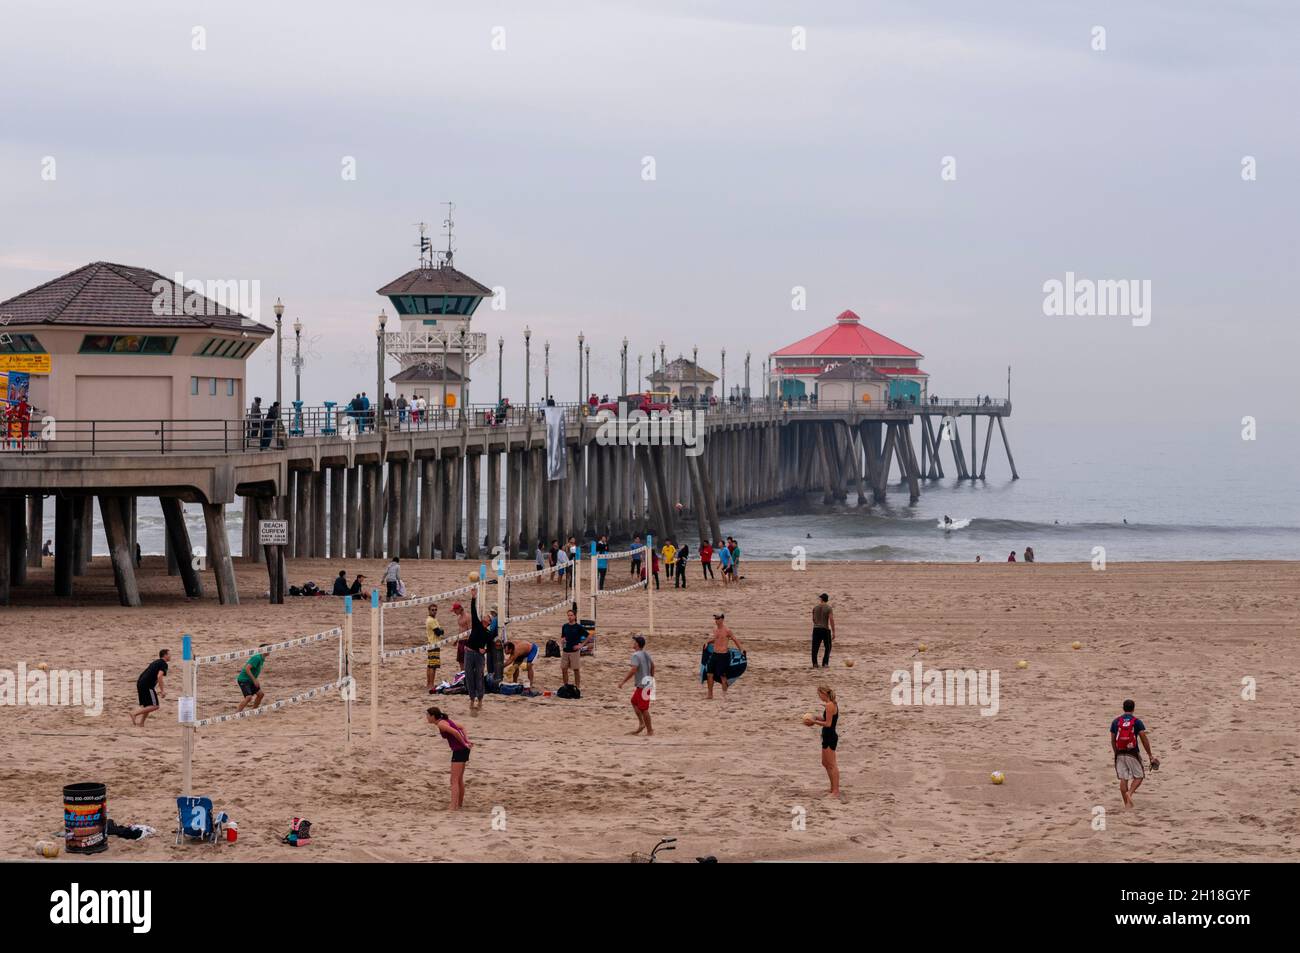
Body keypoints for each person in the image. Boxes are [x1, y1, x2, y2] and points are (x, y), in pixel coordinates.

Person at [1111, 699, 1159, 808]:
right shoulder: (1136, 722)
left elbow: (1113, 740)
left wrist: (1116, 753)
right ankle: (1130, 793)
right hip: (1132, 752)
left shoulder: (1116, 722)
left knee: (1124, 778)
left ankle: (1127, 805)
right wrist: (1150, 755)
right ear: (1133, 709)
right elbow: (1143, 738)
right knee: (1139, 776)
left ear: (1123, 708)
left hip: (1119, 752)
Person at [427, 706, 472, 810]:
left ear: (433, 716)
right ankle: (459, 805)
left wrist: (465, 743)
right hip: (463, 750)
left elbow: (456, 732)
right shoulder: (445, 721)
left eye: (428, 715)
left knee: (454, 780)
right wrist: (467, 741)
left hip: (459, 750)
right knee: (459, 779)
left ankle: (453, 807)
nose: (426, 717)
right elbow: (462, 727)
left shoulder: (441, 724)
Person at [808, 686, 840, 797]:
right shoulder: (830, 704)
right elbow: (826, 719)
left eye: (819, 694)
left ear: (824, 693)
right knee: (825, 763)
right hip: (826, 736)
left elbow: (828, 724)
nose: (819, 696)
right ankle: (832, 788)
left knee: (832, 764)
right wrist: (816, 718)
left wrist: (814, 722)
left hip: (830, 736)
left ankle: (835, 791)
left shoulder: (830, 705)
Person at [620, 635, 655, 736]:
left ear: (637, 644)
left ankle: (650, 730)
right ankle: (641, 723)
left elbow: (633, 670)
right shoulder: (646, 654)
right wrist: (651, 678)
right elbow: (653, 666)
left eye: (634, 642)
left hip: (643, 685)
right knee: (634, 701)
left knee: (644, 709)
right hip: (647, 683)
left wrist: (623, 682)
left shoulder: (635, 655)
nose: (633, 643)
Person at [464, 594, 493, 713]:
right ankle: (472, 699)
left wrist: (485, 650)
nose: (484, 616)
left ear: (489, 622)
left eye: (487, 617)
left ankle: (480, 699)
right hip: (469, 653)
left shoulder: (488, 633)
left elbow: (490, 647)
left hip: (479, 656)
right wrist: (473, 597)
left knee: (479, 678)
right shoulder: (476, 623)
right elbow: (473, 609)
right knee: (469, 676)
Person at [706, 612, 744, 699]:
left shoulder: (727, 630)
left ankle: (724, 695)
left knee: (722, 676)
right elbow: (715, 639)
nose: (716, 620)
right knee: (709, 674)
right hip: (714, 654)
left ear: (722, 619)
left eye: (718, 618)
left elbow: (735, 639)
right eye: (715, 618)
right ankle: (710, 694)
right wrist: (707, 642)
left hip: (723, 656)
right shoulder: (715, 629)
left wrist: (741, 649)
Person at [130, 649, 170, 726]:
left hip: (140, 683)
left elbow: (153, 675)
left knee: (148, 705)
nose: (170, 656)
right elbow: (159, 676)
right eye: (169, 654)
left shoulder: (156, 662)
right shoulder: (164, 664)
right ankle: (134, 713)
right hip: (147, 685)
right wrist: (162, 691)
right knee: (155, 706)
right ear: (165, 655)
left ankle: (141, 723)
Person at [560, 608, 588, 690]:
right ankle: (565, 686)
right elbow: (562, 636)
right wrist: (562, 640)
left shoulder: (578, 627)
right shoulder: (565, 626)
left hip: (574, 652)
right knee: (563, 669)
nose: (569, 617)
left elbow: (589, 636)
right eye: (568, 615)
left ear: (575, 616)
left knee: (576, 670)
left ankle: (577, 687)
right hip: (565, 651)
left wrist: (581, 645)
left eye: (571, 615)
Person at [236, 644, 269, 713]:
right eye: (269, 649)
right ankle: (237, 713)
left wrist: (255, 679)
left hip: (250, 680)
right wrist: (254, 680)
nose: (270, 650)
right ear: (263, 650)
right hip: (244, 680)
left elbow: (254, 671)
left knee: (260, 694)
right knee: (249, 697)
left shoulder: (262, 658)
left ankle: (254, 711)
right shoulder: (257, 658)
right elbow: (247, 669)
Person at [811, 592, 835, 668]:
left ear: (821, 599)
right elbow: (831, 619)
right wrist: (834, 632)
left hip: (816, 629)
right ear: (827, 600)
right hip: (825, 629)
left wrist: (818, 623)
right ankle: (825, 663)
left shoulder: (815, 608)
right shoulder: (829, 608)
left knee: (815, 647)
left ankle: (815, 663)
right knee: (828, 647)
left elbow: (814, 619)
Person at [426, 605, 444, 694]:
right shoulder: (431, 620)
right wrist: (441, 631)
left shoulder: (434, 620)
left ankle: (429, 683)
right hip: (433, 645)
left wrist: (440, 631)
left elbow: (440, 631)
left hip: (432, 644)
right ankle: (431, 684)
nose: (434, 611)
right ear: (429, 611)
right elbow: (438, 632)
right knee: (433, 666)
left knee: (430, 665)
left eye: (435, 610)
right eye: (432, 610)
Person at [452, 602, 471, 668]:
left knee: (466, 660)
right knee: (460, 660)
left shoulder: (467, 617)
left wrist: (469, 643)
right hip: (460, 641)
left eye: (455, 610)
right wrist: (456, 640)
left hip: (466, 640)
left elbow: (470, 630)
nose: (454, 612)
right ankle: (462, 674)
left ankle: (466, 675)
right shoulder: (459, 617)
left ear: (459, 609)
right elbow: (460, 630)